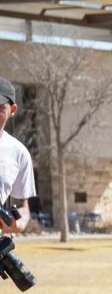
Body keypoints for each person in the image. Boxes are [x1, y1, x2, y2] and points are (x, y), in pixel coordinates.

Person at [0, 77, 35, 233]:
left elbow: (22, 207)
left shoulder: (18, 153)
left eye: (0, 108)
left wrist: (18, 221)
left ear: (12, 110)